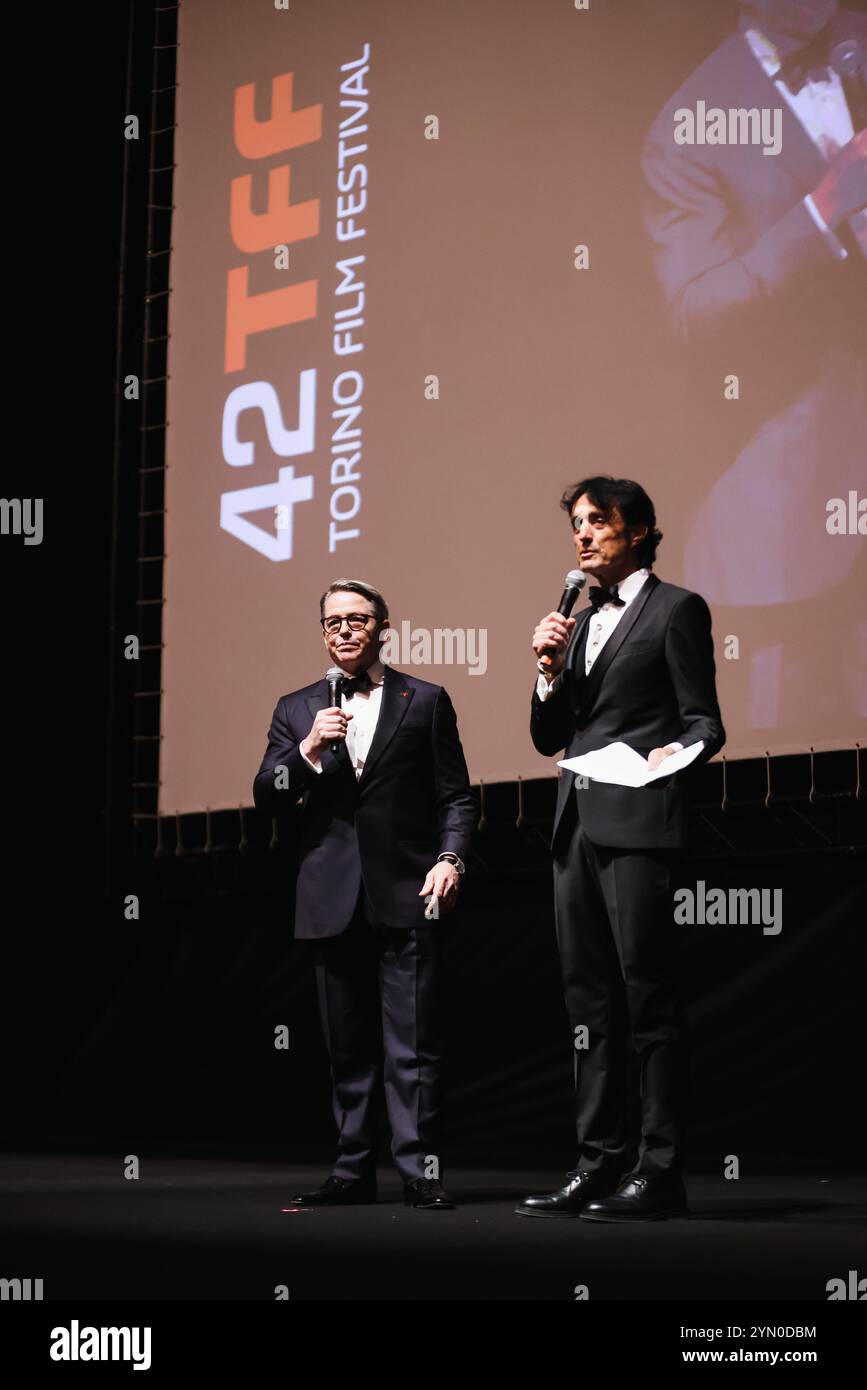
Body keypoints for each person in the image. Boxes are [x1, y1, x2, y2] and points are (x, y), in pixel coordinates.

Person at [641, 0, 866, 731]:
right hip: (801, 498)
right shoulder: (689, 123)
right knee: (796, 762)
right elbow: (693, 306)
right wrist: (820, 210)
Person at [516, 478, 725, 1222]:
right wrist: (546, 670)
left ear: (637, 531)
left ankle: (659, 1170)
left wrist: (651, 771)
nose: (582, 536)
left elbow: (704, 725)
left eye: (597, 522)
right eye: (575, 524)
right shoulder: (575, 623)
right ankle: (596, 1165)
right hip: (574, 828)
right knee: (588, 1007)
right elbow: (550, 739)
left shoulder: (675, 610)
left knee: (647, 999)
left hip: (637, 824)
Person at [253, 579, 476, 1210]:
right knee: (346, 1049)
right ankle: (351, 1172)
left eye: (357, 619)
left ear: (383, 626)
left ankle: (420, 1173)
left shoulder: (425, 700)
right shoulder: (296, 708)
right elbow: (268, 791)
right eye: (331, 622)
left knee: (413, 1047)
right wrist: (306, 750)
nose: (343, 630)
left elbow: (455, 795)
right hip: (329, 898)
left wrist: (450, 858)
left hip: (407, 891)